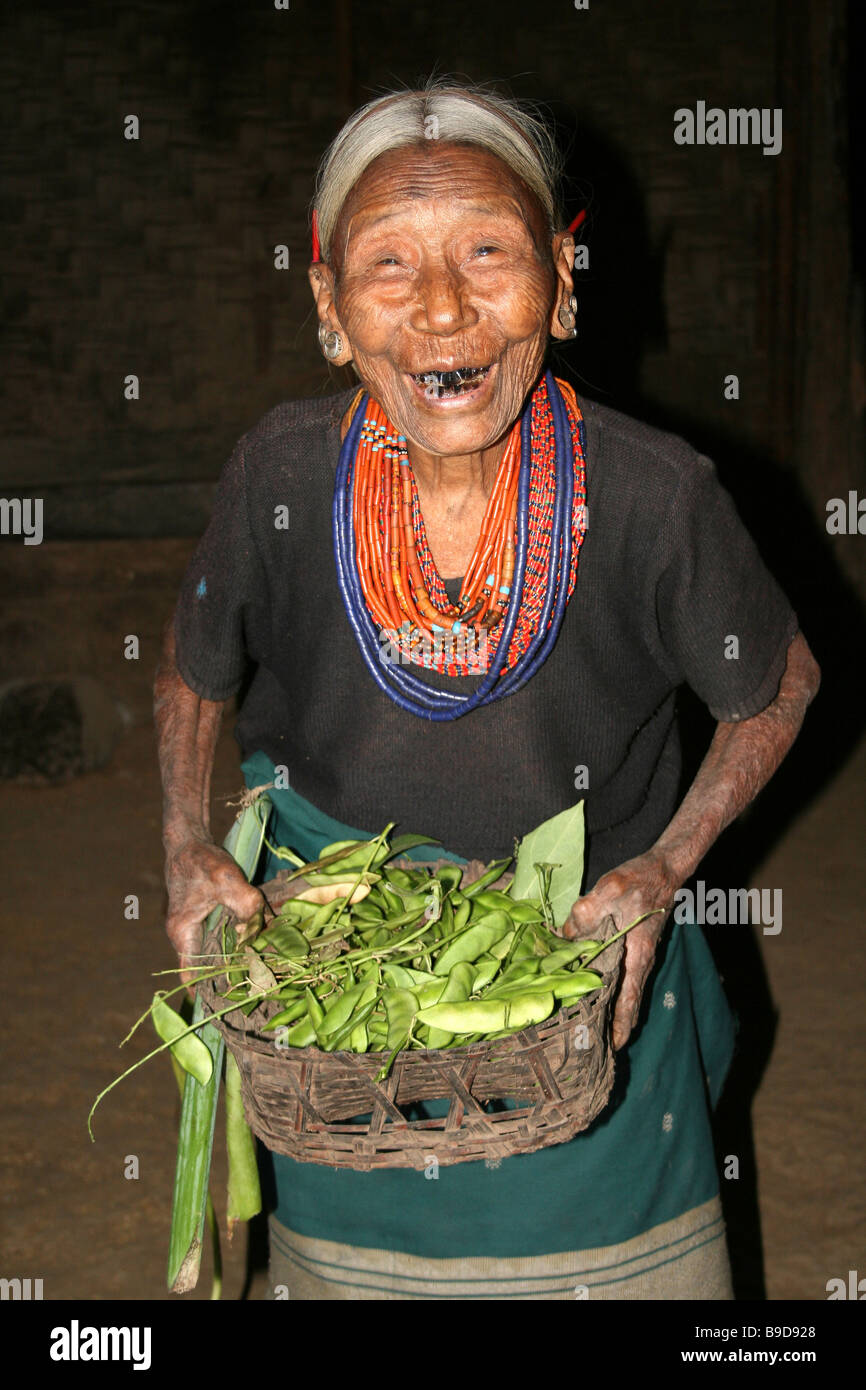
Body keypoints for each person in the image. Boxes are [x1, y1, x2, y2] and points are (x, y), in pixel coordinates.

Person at [154, 81, 820, 1300]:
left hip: (576, 979)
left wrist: (663, 867)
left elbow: (777, 678)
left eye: (487, 253)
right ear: (329, 306)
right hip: (338, 987)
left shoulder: (651, 493)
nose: (443, 311)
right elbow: (196, 666)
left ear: (563, 279)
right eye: (388, 266)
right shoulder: (282, 474)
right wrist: (186, 843)